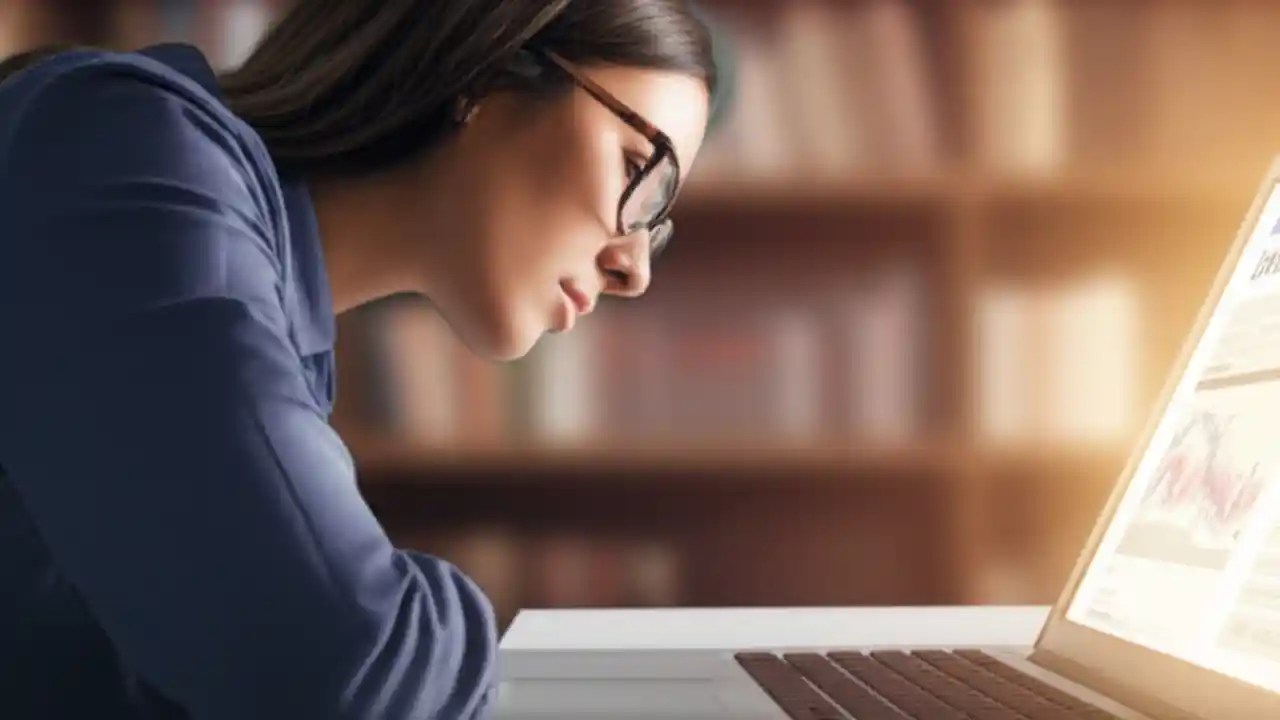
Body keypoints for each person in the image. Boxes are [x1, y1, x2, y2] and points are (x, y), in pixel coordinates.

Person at [0, 1, 718, 717]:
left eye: (658, 224)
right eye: (640, 172)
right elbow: (339, 669)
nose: (635, 268)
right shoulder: (121, 148)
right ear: (485, 71)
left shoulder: (285, 333)